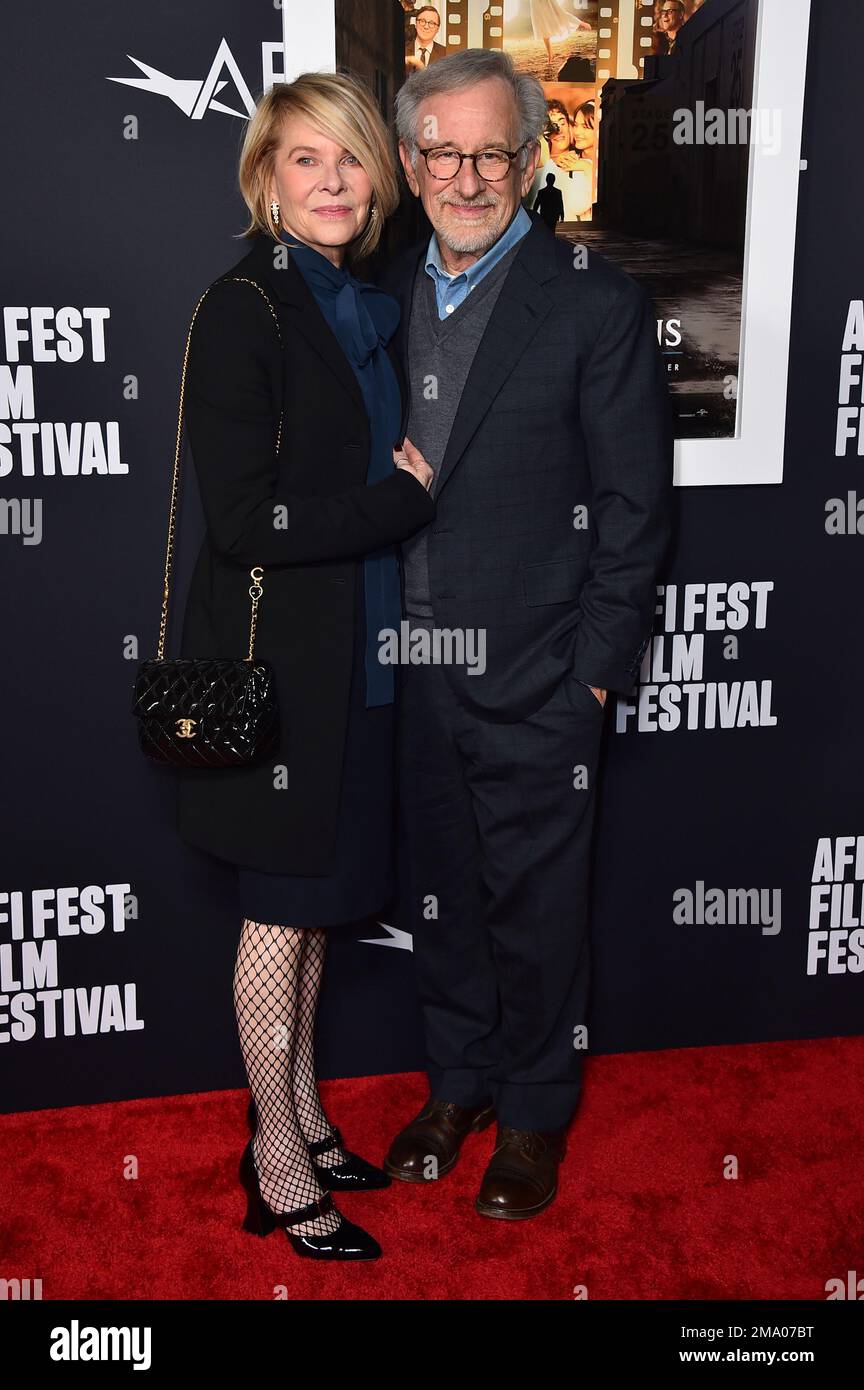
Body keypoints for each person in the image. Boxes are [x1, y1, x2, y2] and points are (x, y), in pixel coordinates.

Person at [381, 48, 674, 1220]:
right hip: (409, 667)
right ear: (409, 163)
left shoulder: (595, 304)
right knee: (444, 889)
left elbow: (634, 512)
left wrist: (593, 682)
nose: (467, 174)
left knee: (539, 906)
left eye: (491, 150)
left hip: (543, 675)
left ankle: (538, 1110)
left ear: (529, 158)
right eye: (441, 151)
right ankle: (459, 1084)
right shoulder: (379, 299)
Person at [175, 72, 435, 1260]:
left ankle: (309, 1112)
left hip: (364, 658)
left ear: (377, 175)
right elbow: (241, 522)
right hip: (284, 670)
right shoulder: (250, 306)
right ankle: (274, 1156)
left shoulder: (362, 301)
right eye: (305, 161)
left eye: (350, 159)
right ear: (266, 179)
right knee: (280, 920)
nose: (332, 181)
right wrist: (395, 504)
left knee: (321, 916)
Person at [530, 0, 592, 69]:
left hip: (544, 4)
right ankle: (550, 54)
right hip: (536, 4)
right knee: (543, 25)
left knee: (557, 13)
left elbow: (560, 13)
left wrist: (580, 23)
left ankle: (581, 23)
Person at [405, 5, 447, 71]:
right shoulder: (401, 50)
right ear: (416, 24)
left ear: (437, 29)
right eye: (422, 21)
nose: (426, 27)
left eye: (432, 23)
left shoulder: (446, 53)